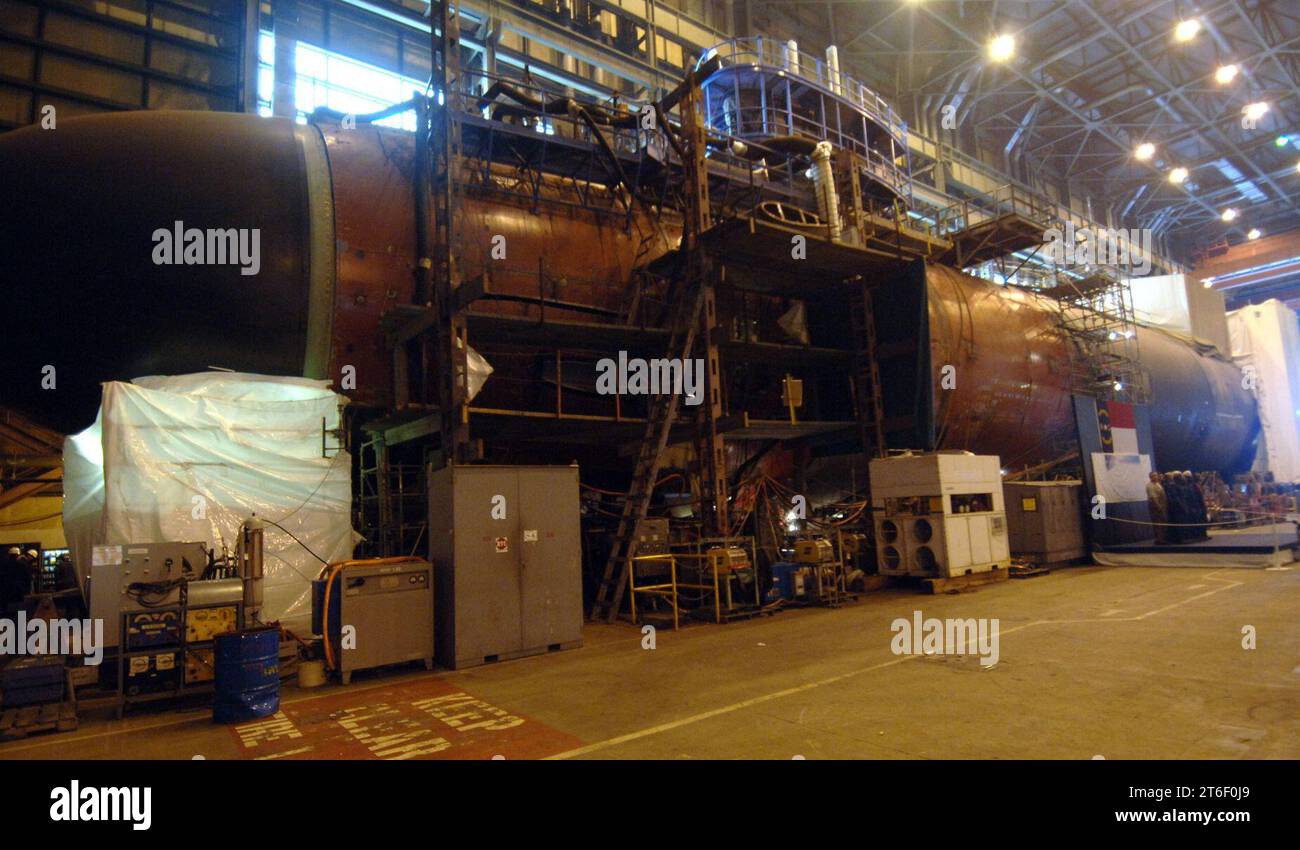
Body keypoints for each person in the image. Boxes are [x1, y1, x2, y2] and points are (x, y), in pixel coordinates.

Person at [0, 546, 31, 614]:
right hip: (19, 592)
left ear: (9, 555)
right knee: (20, 612)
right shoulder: (22, 565)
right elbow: (28, 579)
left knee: (8, 613)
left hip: (7, 592)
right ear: (18, 555)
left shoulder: (3, 565)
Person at [1146, 471, 1169, 544]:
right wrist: (1159, 507)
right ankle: (1159, 540)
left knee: (1163, 522)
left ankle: (1163, 538)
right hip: (1155, 506)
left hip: (1162, 505)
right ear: (1150, 477)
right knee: (1158, 523)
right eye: (1154, 476)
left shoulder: (1158, 484)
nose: (1156, 477)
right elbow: (1153, 498)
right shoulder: (1150, 486)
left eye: (1156, 475)